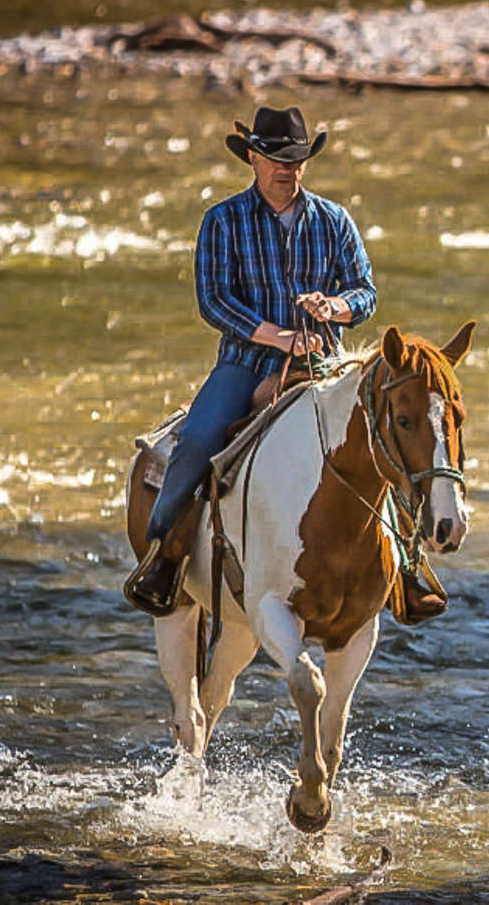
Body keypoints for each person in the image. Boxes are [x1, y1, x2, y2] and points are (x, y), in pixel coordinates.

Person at [124, 104, 380, 617]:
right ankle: (164, 556)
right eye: (275, 158)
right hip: (244, 364)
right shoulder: (222, 220)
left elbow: (365, 292)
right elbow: (214, 300)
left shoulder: (334, 221)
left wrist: (335, 306)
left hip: (323, 364)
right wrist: (278, 337)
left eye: (296, 159)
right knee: (198, 440)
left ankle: (405, 566)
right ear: (253, 159)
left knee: (383, 442)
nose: (287, 169)